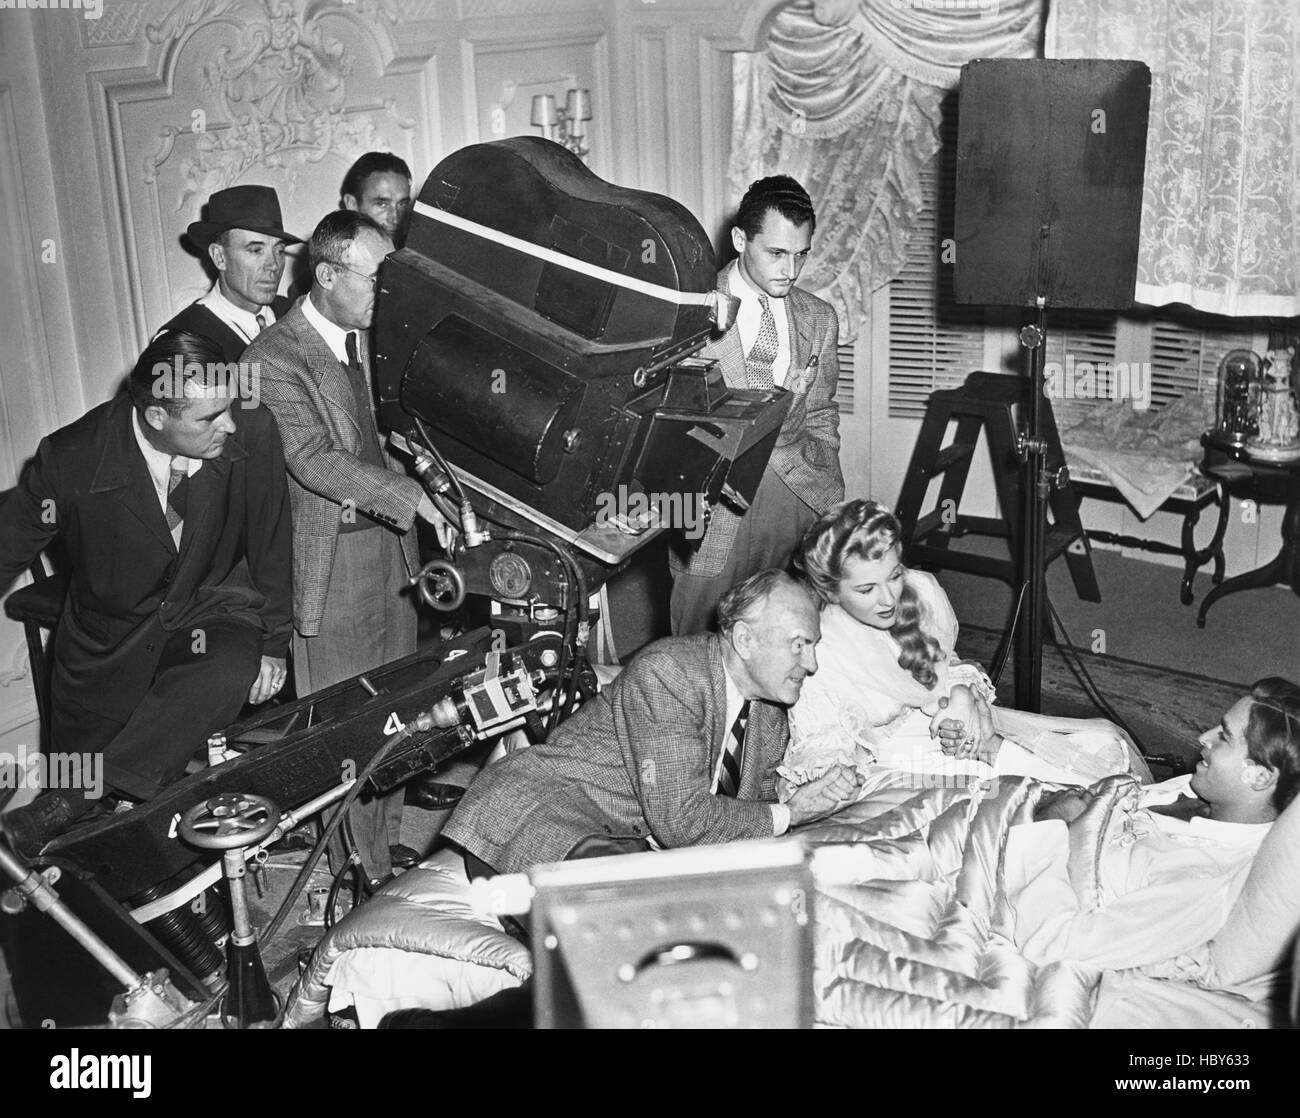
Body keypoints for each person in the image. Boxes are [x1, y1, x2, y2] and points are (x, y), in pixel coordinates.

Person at [0, 331, 292, 856]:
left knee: (225, 666)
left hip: (211, 608)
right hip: (106, 641)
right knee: (67, 849)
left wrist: (274, 640)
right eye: (208, 419)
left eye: (227, 406)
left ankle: (75, 800)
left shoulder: (252, 425)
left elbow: (270, 538)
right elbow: (6, 545)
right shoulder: (71, 458)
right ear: (156, 417)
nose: (229, 423)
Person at [244, 210, 452, 883]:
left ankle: (386, 851)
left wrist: (435, 476)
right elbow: (311, 457)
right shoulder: (273, 358)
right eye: (376, 276)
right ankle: (355, 872)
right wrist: (411, 500)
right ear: (328, 273)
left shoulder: (371, 340)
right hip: (334, 570)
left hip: (393, 558)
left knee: (397, 722)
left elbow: (389, 433)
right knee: (345, 733)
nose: (386, 292)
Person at [442, 569, 864, 878]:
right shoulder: (671, 673)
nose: (811, 664)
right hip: (546, 815)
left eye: (813, 647)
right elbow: (682, 821)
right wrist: (790, 812)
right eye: (799, 646)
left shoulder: (770, 714)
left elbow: (747, 815)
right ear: (744, 641)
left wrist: (803, 799)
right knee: (640, 924)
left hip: (625, 841)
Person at [782, 499, 1149, 799]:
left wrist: (959, 694)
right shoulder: (822, 648)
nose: (888, 597)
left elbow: (949, 664)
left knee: (1101, 743)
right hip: (895, 763)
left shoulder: (920, 591)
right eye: (866, 590)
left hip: (950, 730)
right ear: (830, 591)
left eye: (893, 576)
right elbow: (828, 756)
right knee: (1011, 788)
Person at [1009, 677, 1300, 970]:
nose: (1203, 737)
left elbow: (1056, 945)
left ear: (1260, 776)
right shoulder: (1204, 791)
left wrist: (1053, 826)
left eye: (1223, 737)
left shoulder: (1200, 882)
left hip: (1016, 873)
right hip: (1029, 810)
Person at [668, 175, 843, 636]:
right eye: (776, 253)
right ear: (740, 239)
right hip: (712, 501)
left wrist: (825, 494)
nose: (791, 269)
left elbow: (823, 411)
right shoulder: (691, 308)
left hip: (796, 497)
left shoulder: (818, 318)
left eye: (801, 254)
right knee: (698, 644)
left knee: (790, 637)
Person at [158, 185, 302, 361]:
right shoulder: (182, 340)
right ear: (219, 257)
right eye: (256, 250)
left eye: (279, 251)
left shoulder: (293, 314)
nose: (273, 265)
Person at [341, 152, 413, 248]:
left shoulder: (417, 253)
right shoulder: (332, 258)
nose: (395, 219)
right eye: (382, 204)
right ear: (352, 204)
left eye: (402, 204)